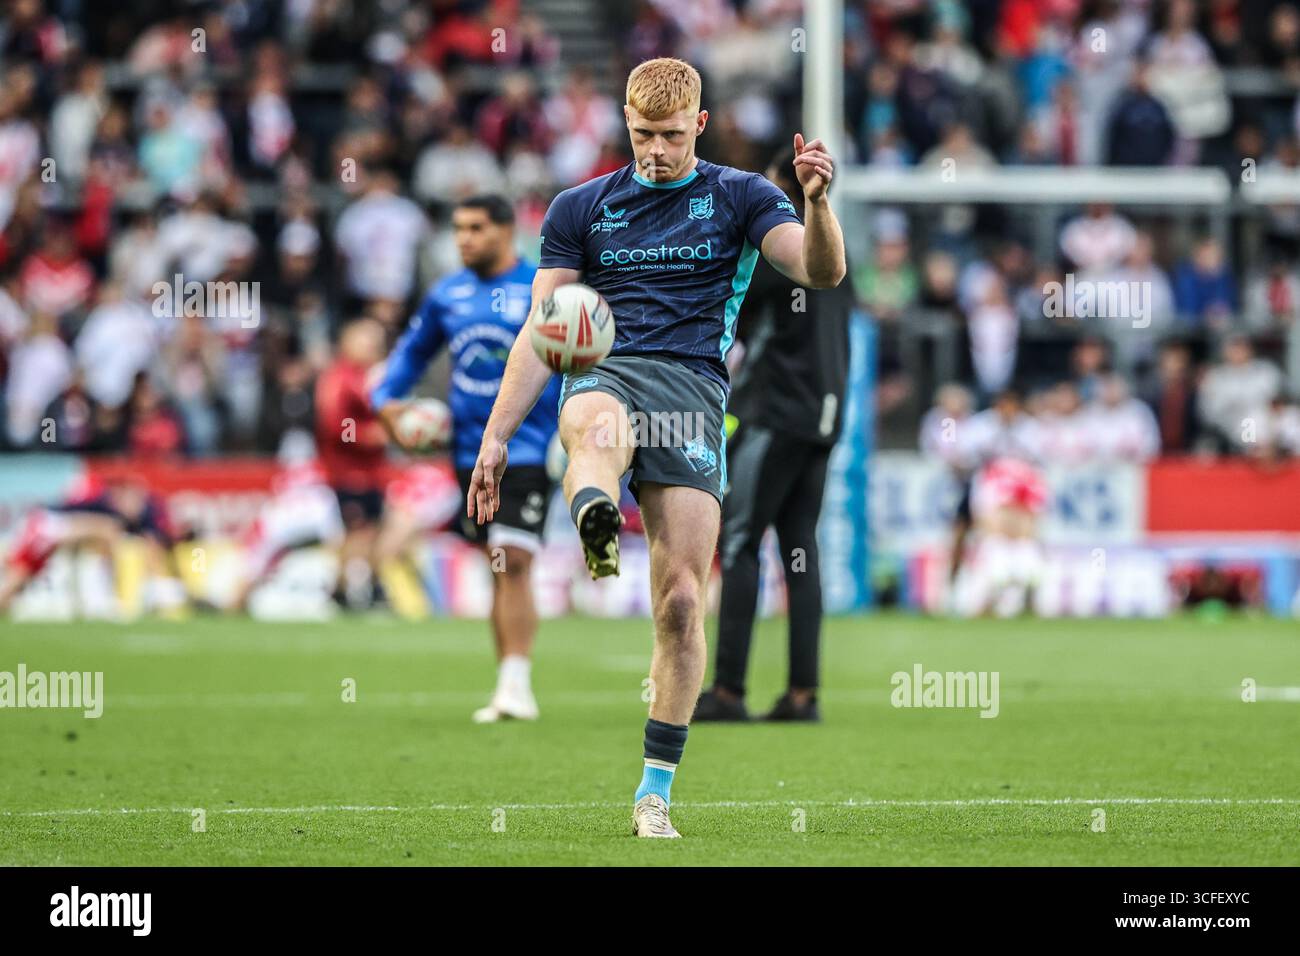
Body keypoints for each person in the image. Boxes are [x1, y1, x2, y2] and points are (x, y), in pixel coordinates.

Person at [464, 58, 845, 837]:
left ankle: (653, 794)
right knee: (596, 430)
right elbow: (542, 332)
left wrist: (816, 202)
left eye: (671, 135)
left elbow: (820, 271)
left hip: (693, 391)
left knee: (679, 603)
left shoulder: (743, 195)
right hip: (604, 367)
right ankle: (596, 515)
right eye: (643, 134)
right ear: (625, 123)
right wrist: (496, 437)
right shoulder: (580, 207)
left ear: (698, 125)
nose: (657, 150)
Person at [372, 195, 560, 723]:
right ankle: (508, 682)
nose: (464, 239)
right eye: (458, 229)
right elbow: (409, 356)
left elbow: (574, 358)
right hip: (467, 453)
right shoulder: (446, 295)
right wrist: (387, 405)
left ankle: (516, 684)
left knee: (513, 558)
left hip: (527, 448)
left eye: (476, 228)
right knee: (496, 564)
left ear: (506, 231)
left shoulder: (541, 288)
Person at [692, 146, 854, 724]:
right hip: (824, 415)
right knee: (800, 550)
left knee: (740, 542)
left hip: (774, 413)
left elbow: (725, 302)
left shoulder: (777, 250)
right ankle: (803, 693)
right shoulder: (835, 253)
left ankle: (728, 691)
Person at [315, 318, 389, 608]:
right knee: (357, 530)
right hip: (348, 472)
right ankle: (344, 588)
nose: (373, 346)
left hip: (373, 472)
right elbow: (335, 425)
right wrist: (369, 436)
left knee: (374, 529)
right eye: (366, 339)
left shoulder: (373, 375)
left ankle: (366, 585)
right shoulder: (338, 378)